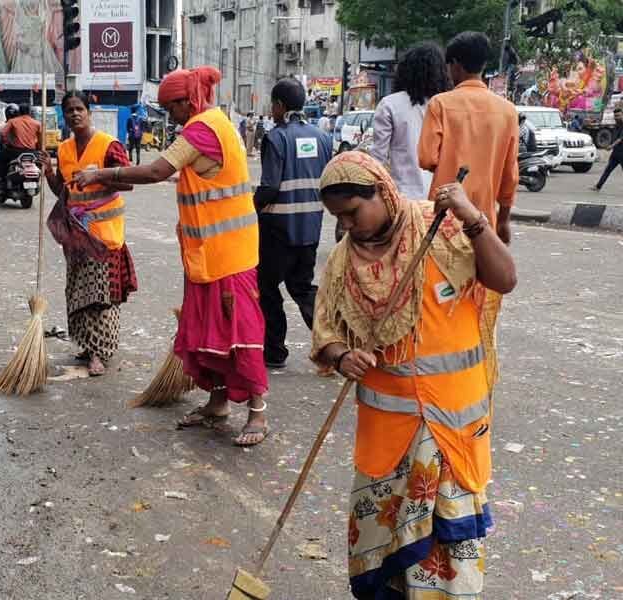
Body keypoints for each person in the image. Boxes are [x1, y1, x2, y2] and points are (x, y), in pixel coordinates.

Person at [311, 151, 517, 600]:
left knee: (445, 553)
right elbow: (324, 329)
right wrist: (342, 356)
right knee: (384, 553)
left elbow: (504, 278)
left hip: (453, 430)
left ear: (383, 192)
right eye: (337, 217)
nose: (346, 225)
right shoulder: (344, 261)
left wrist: (473, 218)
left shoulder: (441, 227)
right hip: (388, 438)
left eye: (352, 212)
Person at [71, 66, 269, 446]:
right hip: (207, 256)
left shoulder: (202, 129)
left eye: (170, 107)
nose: (169, 115)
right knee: (208, 334)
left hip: (228, 256)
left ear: (186, 100)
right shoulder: (215, 123)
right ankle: (218, 404)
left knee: (239, 335)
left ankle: (257, 413)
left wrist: (100, 175)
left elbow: (155, 171)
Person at [37, 91, 138, 376]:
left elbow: (129, 181)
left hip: (104, 235)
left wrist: (98, 175)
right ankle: (87, 344)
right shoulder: (64, 149)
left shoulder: (109, 145)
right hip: (75, 236)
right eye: (69, 110)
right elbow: (63, 191)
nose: (75, 114)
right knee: (79, 293)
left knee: (101, 295)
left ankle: (99, 352)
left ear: (89, 112)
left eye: (79, 109)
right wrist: (49, 172)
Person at [253, 78, 333, 370]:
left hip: (277, 229)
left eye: (272, 105)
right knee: (302, 287)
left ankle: (274, 352)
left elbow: (270, 186)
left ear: (279, 105)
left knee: (267, 287)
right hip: (310, 227)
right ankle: (332, 345)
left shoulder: (276, 137)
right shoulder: (323, 138)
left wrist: (251, 205)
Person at [418, 31, 519, 244]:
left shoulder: (440, 104)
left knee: (440, 266)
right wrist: (503, 220)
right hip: (483, 222)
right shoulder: (508, 111)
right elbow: (510, 176)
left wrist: (448, 162)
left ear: (455, 64)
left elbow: (426, 159)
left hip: (444, 218)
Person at [370, 42, 451, 199]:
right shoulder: (448, 105)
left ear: (405, 71)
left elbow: (378, 158)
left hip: (403, 196)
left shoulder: (390, 104)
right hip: (442, 196)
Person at [0, 103, 41, 190]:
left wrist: (7, 142)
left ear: (19, 112)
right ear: (30, 112)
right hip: (32, 152)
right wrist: (38, 150)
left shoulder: (13, 121)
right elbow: (41, 140)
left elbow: (2, 133)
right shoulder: (37, 123)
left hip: (15, 152)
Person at [592, 108, 623, 192]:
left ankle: (598, 186)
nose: (616, 117)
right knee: (608, 170)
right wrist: (610, 145)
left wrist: (611, 146)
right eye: (615, 116)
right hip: (615, 153)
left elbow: (620, 139)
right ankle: (598, 186)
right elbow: (615, 137)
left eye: (618, 115)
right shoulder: (617, 125)